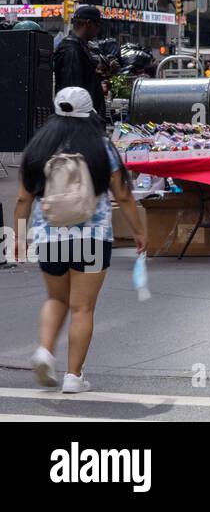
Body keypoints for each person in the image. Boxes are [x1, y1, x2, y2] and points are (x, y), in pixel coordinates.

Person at [13, 87, 146, 394]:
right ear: (90, 114)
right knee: (82, 308)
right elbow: (123, 194)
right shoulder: (101, 147)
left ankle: (45, 352)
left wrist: (18, 236)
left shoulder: (39, 147)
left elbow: (23, 197)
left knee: (56, 299)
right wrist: (138, 230)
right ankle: (74, 377)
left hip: (50, 236)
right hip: (93, 238)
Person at [53, 5, 110, 119]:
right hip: (79, 122)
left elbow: (83, 80)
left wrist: (98, 75)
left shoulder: (80, 47)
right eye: (97, 26)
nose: (98, 31)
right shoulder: (72, 50)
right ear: (88, 23)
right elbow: (72, 90)